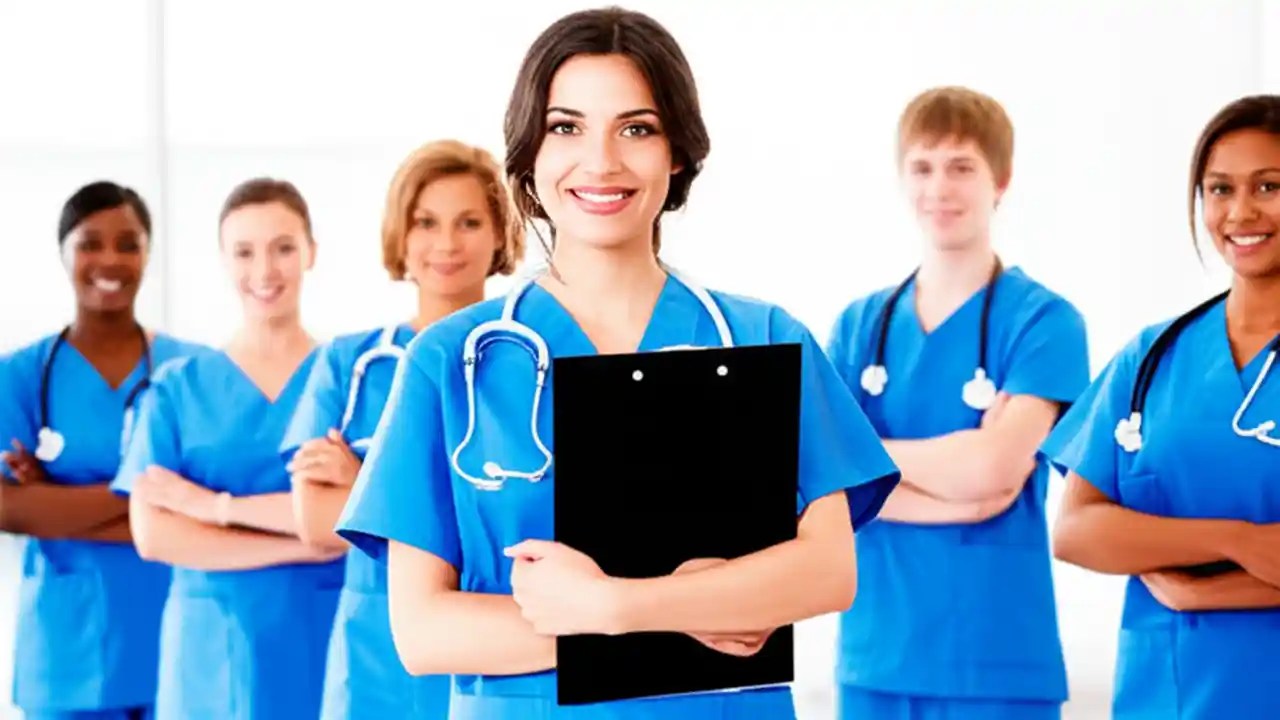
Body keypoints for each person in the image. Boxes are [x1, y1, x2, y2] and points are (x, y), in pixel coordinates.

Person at [334, 7, 900, 720]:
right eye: (567, 127)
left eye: (636, 128)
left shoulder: (760, 338)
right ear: (529, 155)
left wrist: (615, 605)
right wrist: (695, 611)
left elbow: (826, 571)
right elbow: (424, 632)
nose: (601, 161)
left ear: (679, 153)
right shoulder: (450, 361)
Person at [826, 87, 1090, 719]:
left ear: (1001, 179)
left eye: (961, 166)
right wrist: (960, 490)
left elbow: (994, 470)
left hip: (996, 659)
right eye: (922, 167)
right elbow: (821, 482)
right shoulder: (860, 326)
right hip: (875, 662)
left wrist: (874, 468)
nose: (939, 188)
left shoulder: (1044, 322)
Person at [1042, 94, 1280, 719]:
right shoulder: (1153, 355)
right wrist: (1241, 541)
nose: (1241, 211)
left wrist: (1198, 591)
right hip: (1164, 696)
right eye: (1219, 189)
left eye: (1269, 186)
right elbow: (1075, 532)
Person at [281, 139, 525, 720]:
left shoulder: (530, 360)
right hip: (373, 654)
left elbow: (536, 511)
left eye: (469, 221)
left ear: (499, 235)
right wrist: (467, 503)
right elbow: (314, 522)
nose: (446, 243)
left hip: (497, 637)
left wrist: (364, 480)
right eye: (426, 222)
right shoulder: (348, 364)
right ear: (401, 235)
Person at [111, 178, 345, 720]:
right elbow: (154, 534)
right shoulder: (176, 387)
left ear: (311, 252)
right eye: (244, 252)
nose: (264, 272)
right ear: (223, 260)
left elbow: (354, 520)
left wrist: (212, 509)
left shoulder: (346, 379)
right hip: (210, 653)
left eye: (283, 248)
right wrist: (301, 544)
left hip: (324, 638)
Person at [0, 181, 206, 720]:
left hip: (173, 635)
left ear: (148, 254)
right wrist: (155, 500)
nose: (109, 259)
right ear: (64, 252)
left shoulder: (191, 372)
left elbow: (218, 502)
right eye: (90, 242)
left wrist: (51, 502)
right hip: (66, 653)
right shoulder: (21, 375)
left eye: (128, 243)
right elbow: (5, 507)